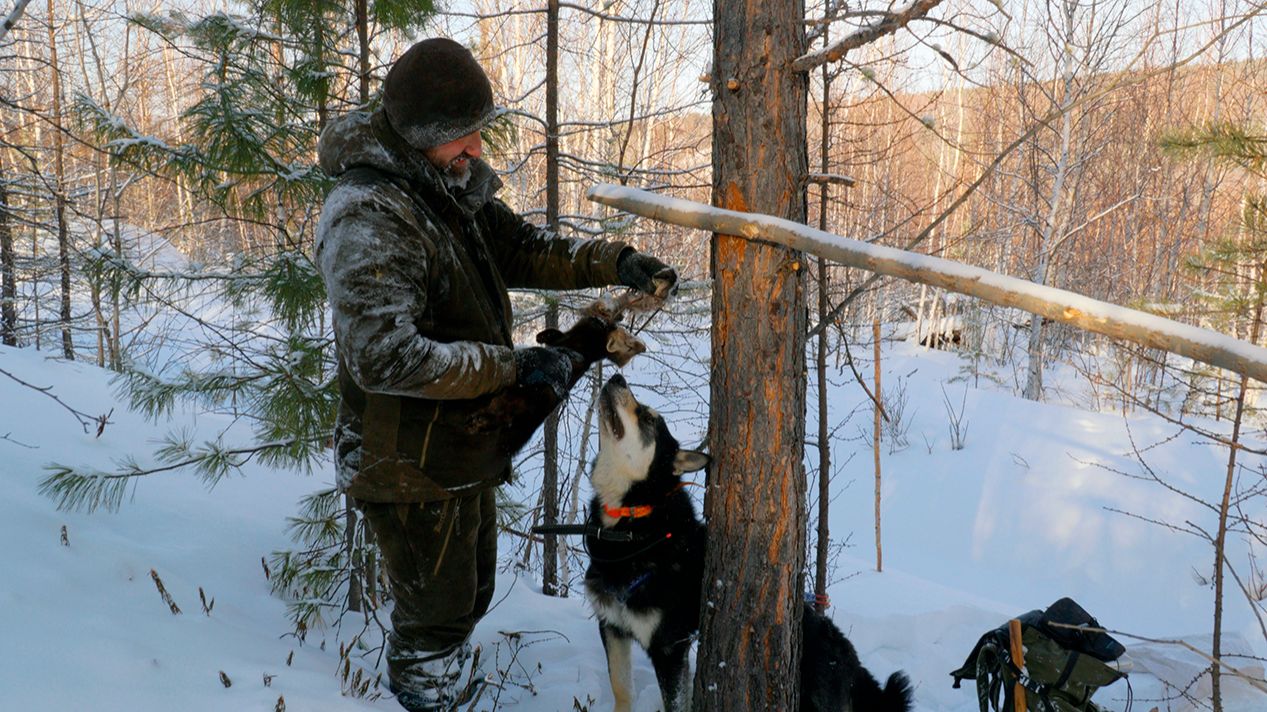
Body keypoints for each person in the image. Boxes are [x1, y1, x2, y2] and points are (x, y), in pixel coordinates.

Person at [314, 38, 676, 711]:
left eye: (475, 130)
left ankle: (445, 688)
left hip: (455, 442)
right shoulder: (368, 211)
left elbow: (518, 247)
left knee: (468, 592)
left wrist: (612, 259)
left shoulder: (443, 184)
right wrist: (512, 365)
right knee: (437, 613)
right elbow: (384, 356)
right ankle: (427, 698)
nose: (476, 147)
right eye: (460, 136)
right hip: (403, 457)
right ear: (421, 135)